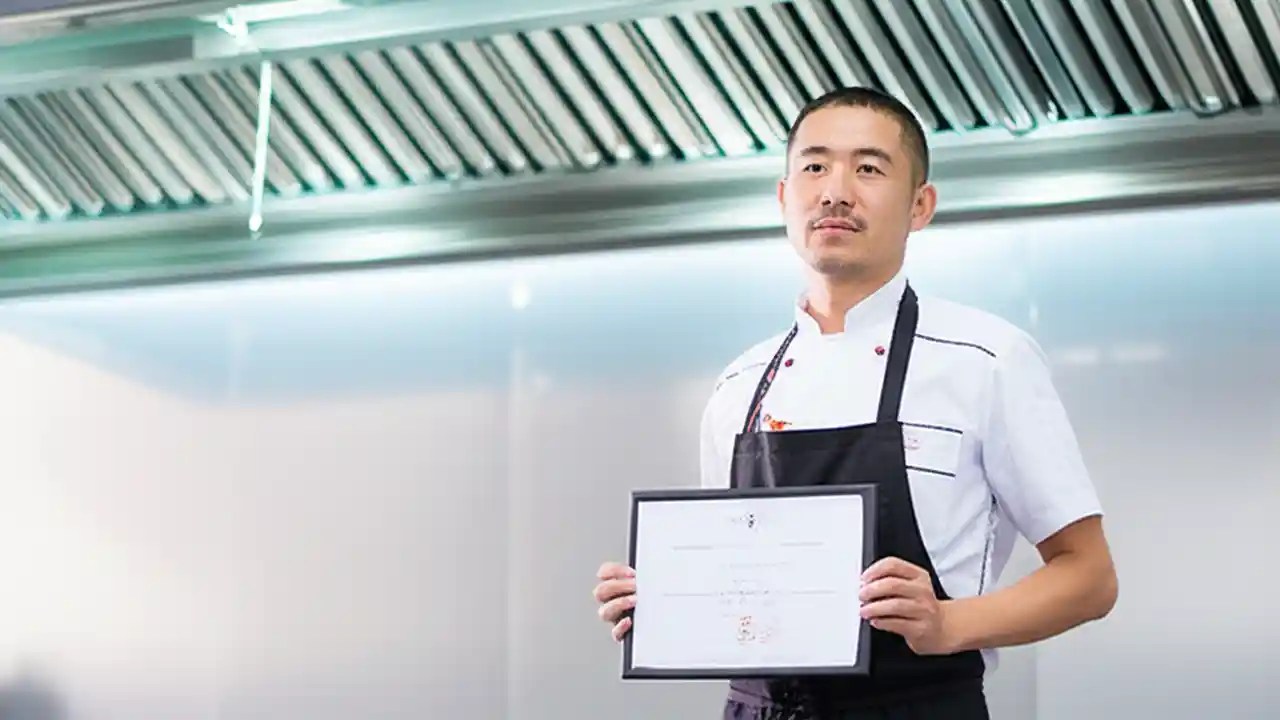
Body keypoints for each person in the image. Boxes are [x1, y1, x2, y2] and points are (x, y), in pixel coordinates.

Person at [592, 86, 1118, 719]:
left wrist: (948, 624)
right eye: (814, 166)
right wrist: (671, 602)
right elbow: (748, 589)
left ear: (920, 206)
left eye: (868, 168)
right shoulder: (739, 385)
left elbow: (1089, 577)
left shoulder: (986, 359)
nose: (835, 190)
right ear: (785, 198)